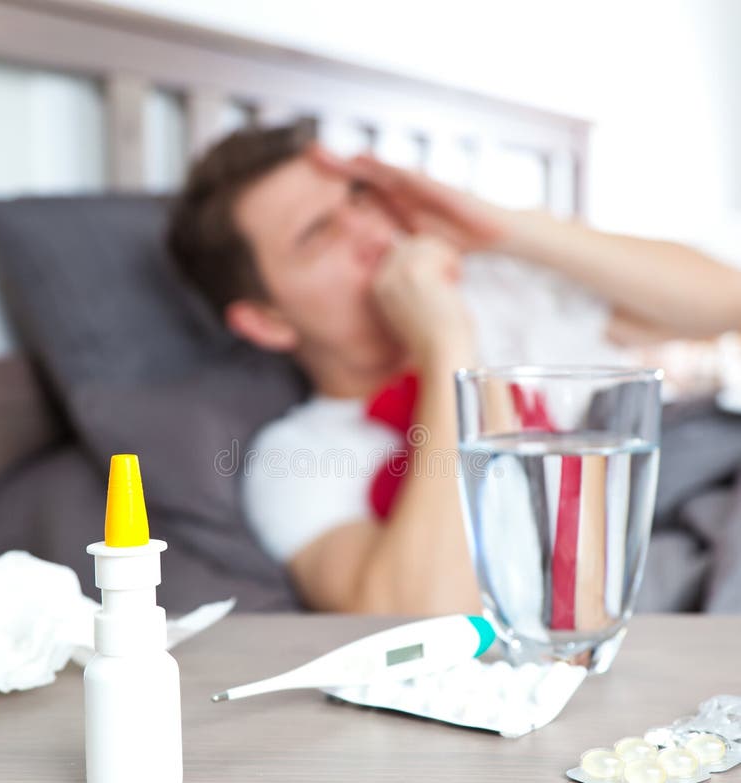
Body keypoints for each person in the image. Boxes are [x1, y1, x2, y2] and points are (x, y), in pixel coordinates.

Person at [167, 122, 741, 615]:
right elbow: (422, 621)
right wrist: (447, 347)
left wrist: (509, 229)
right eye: (319, 235)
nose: (371, 234)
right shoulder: (300, 458)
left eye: (361, 198)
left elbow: (727, 301)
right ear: (266, 321)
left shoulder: (503, 291)